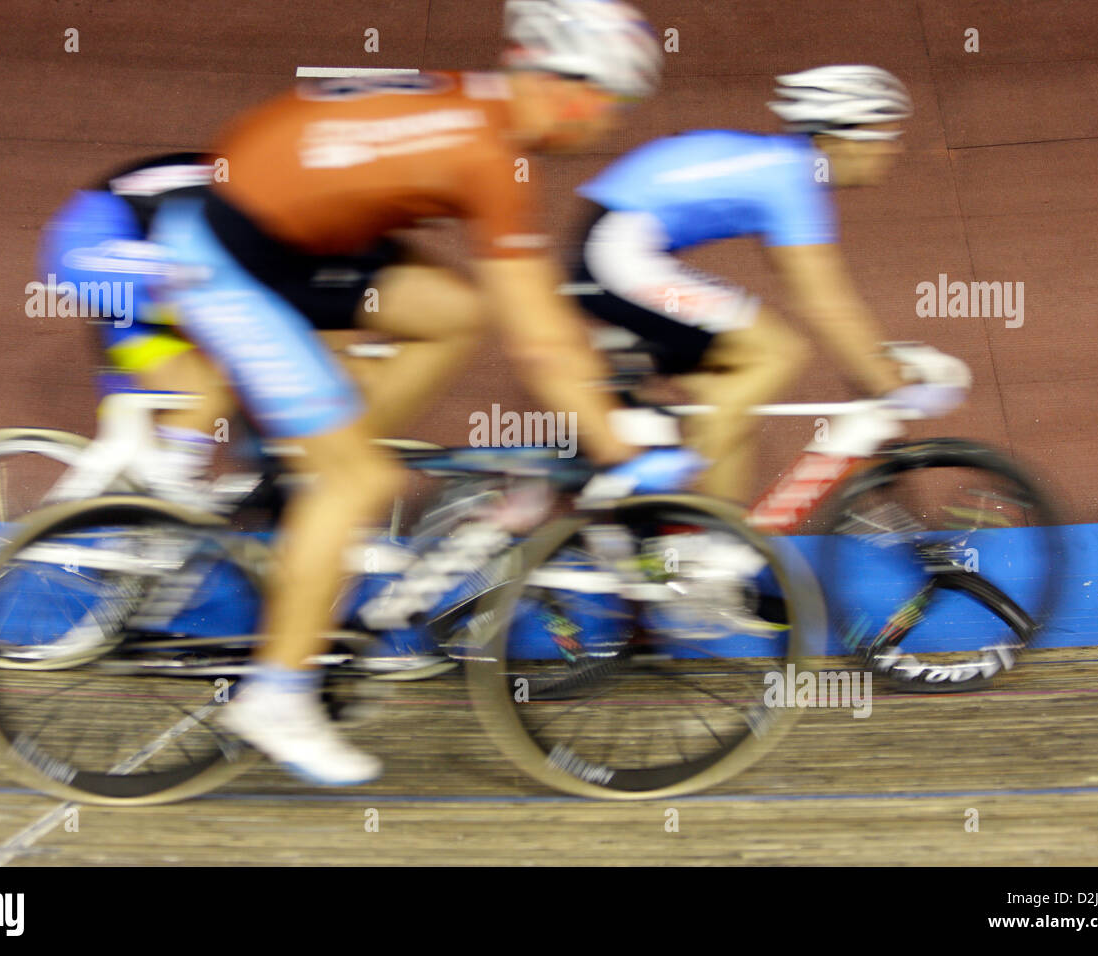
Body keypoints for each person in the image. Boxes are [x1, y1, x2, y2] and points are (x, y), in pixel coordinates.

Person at [148, 0, 700, 787]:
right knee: (364, 479)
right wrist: (617, 444)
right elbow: (540, 338)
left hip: (279, 233)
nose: (610, 122)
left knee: (455, 310)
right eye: (614, 102)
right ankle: (276, 696)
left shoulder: (476, 105)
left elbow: (522, 302)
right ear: (567, 86)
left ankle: (316, 469)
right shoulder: (490, 150)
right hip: (231, 258)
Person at [570, 65, 964, 500]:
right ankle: (650, 491)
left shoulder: (786, 166)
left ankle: (713, 545)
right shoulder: (794, 178)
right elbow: (822, 301)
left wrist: (875, 366)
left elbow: (818, 296)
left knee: (730, 395)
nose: (894, 149)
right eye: (885, 135)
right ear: (845, 136)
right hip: (619, 252)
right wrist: (888, 382)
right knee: (778, 351)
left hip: (615, 245)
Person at [37, 153, 231, 492]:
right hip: (95, 245)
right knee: (214, 382)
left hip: (134, 255)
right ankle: (171, 496)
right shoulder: (262, 200)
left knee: (213, 382)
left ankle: (149, 483)